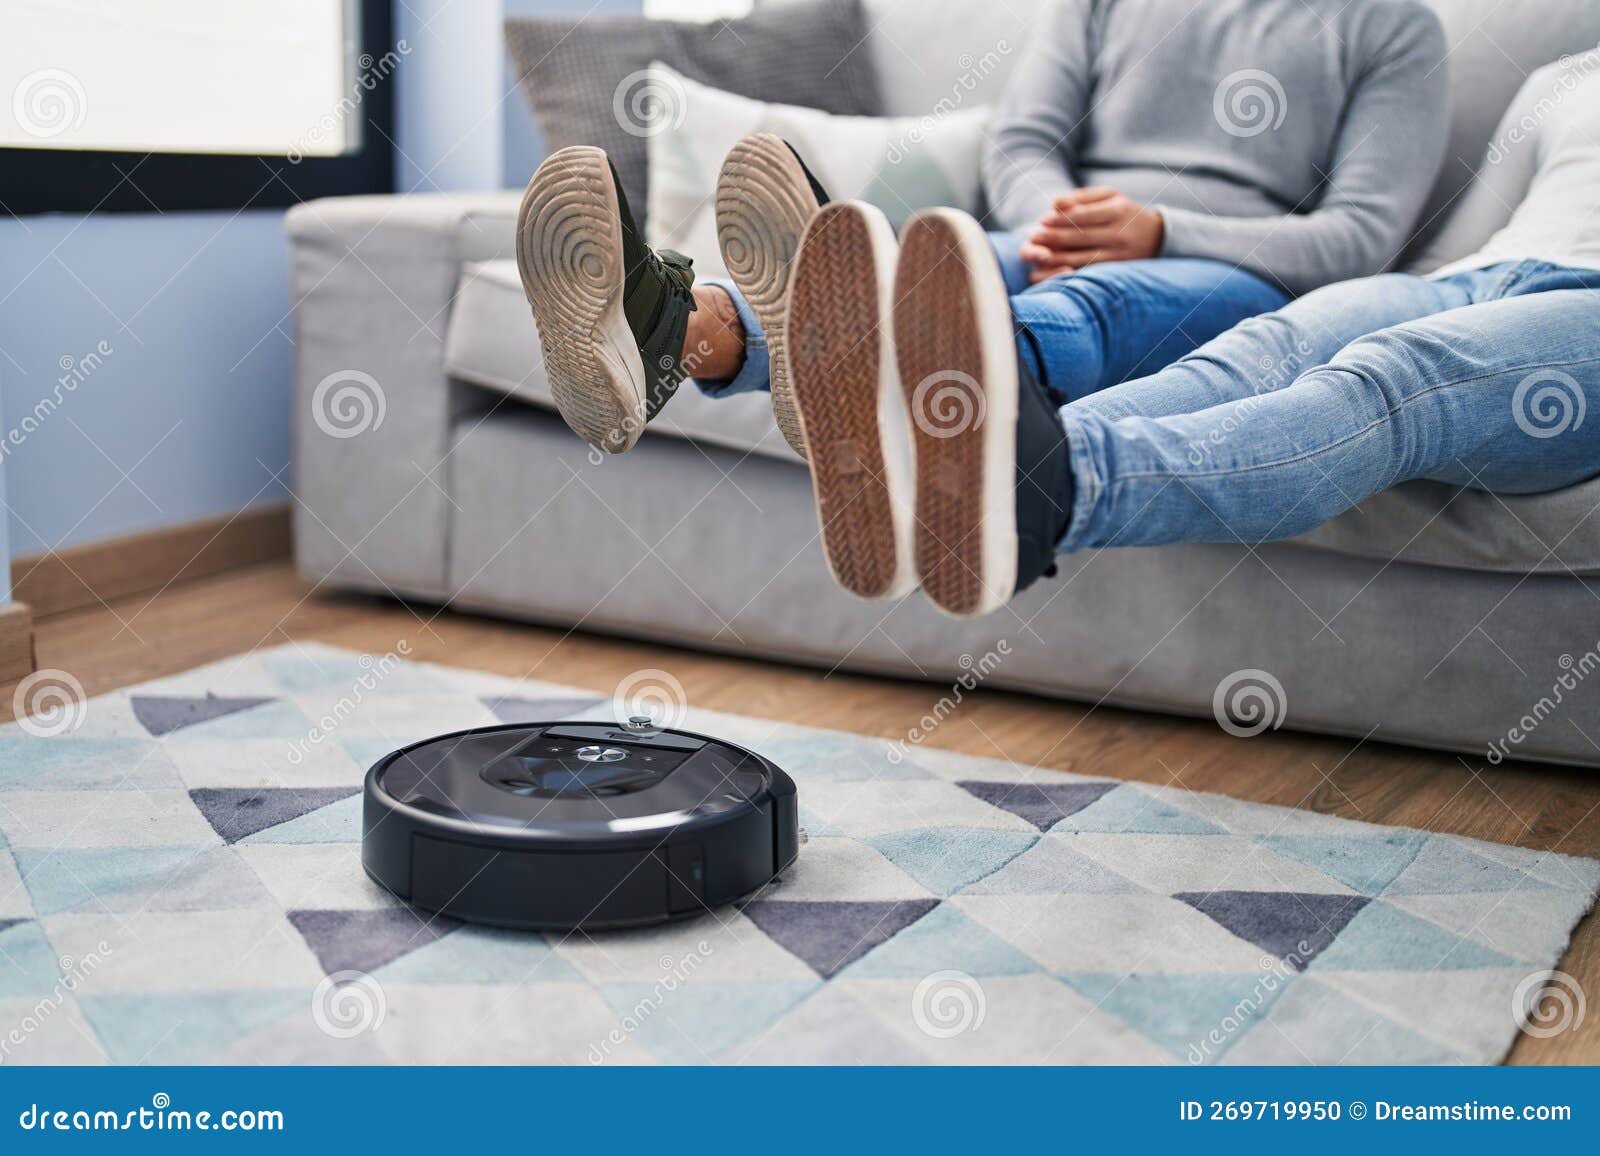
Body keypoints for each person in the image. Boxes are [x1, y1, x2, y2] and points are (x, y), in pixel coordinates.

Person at [809, 58, 1600, 618]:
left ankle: (1044, 491)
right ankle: (939, 487)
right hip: (1464, 280)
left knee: (1396, 375)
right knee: (1260, 352)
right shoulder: (1562, 81)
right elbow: (1447, 254)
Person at [516, 0, 1449, 465]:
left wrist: (1160, 230)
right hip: (1059, 232)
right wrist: (1063, 217)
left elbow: (1361, 235)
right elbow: (1025, 138)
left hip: (1225, 271)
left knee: (1101, 302)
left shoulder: (1392, 27)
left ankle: (837, 364)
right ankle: (669, 331)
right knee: (905, 262)